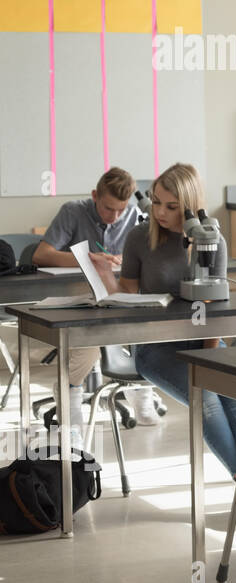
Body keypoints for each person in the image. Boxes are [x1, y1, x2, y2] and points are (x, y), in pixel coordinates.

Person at [104, 163, 236, 518]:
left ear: (190, 205)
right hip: (155, 349)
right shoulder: (139, 237)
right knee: (206, 397)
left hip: (205, 342)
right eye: (156, 202)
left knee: (235, 394)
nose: (160, 212)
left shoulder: (211, 239)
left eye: (171, 206)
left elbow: (214, 307)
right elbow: (129, 298)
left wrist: (209, 357)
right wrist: (107, 277)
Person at [32, 167, 161, 427]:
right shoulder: (73, 211)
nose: (114, 217)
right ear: (94, 195)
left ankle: (142, 390)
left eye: (120, 210)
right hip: (80, 298)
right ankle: (70, 394)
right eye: (107, 208)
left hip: (120, 296)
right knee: (89, 338)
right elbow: (41, 255)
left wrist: (130, 260)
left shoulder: (136, 215)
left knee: (148, 323)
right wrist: (88, 260)